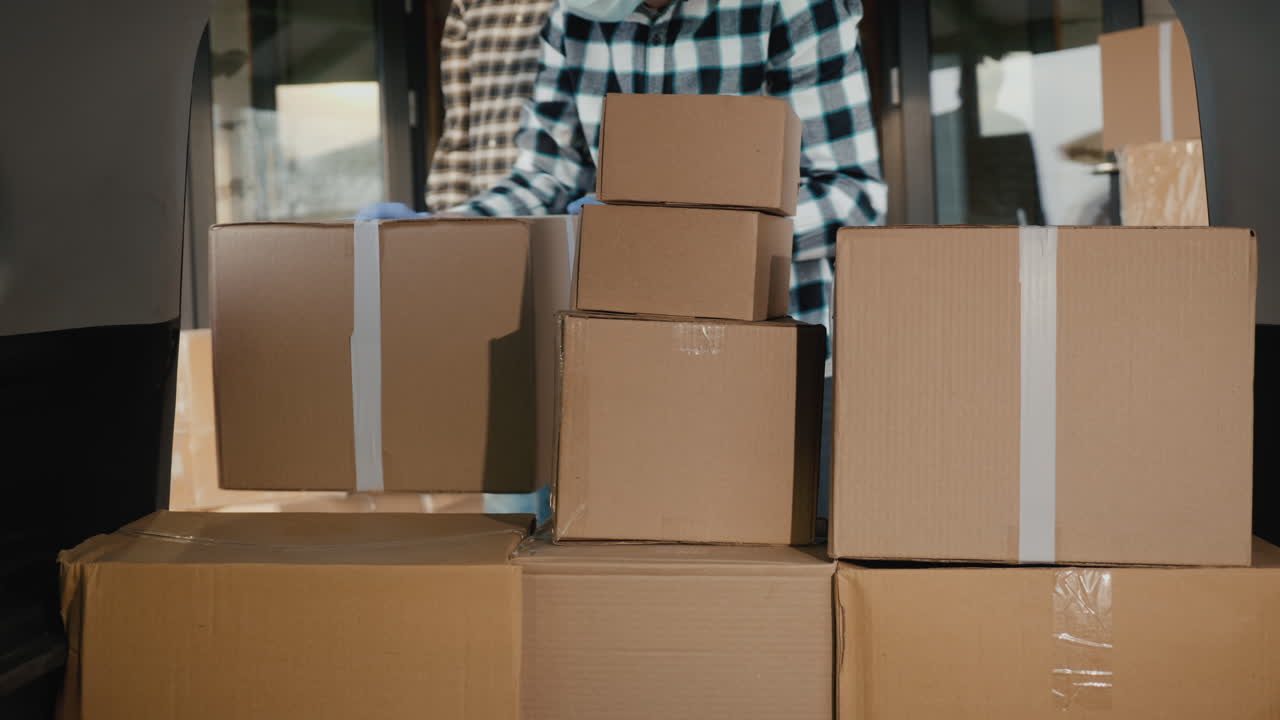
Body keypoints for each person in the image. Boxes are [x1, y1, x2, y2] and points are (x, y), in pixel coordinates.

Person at [427, 0, 556, 212]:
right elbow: (458, 125)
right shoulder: (468, 4)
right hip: (483, 206)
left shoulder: (584, 5)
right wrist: (444, 215)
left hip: (563, 205)